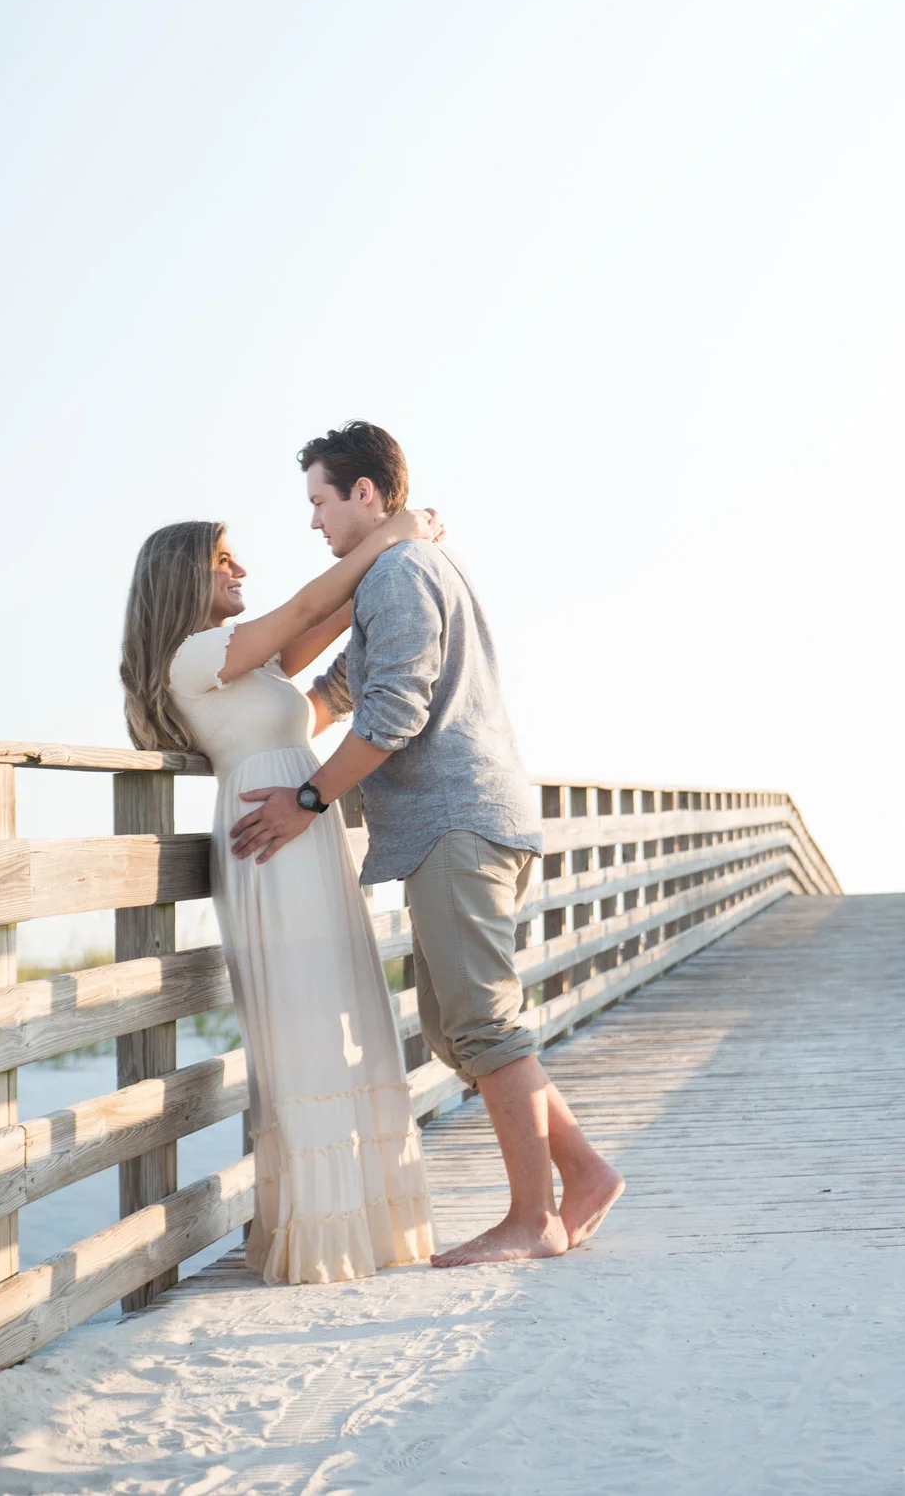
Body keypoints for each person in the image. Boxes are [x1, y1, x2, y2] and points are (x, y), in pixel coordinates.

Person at [230, 421, 622, 1266]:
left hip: (455, 820)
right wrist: (256, 727)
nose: (313, 521)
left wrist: (307, 799)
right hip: (461, 820)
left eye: (320, 501)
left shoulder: (400, 572)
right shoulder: (404, 569)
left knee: (482, 1021)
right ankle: (586, 1174)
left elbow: (395, 711)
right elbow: (345, 687)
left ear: (365, 493)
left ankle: (533, 1217)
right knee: (457, 1030)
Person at [119, 504, 440, 1284]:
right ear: (182, 577)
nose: (240, 570)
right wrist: (391, 534)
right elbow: (304, 607)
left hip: (301, 827)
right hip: (271, 839)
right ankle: (320, 1231)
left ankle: (358, 1219)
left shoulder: (248, 665)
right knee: (305, 1019)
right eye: (223, 559)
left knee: (334, 1008)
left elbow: (325, 634)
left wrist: (390, 568)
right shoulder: (196, 654)